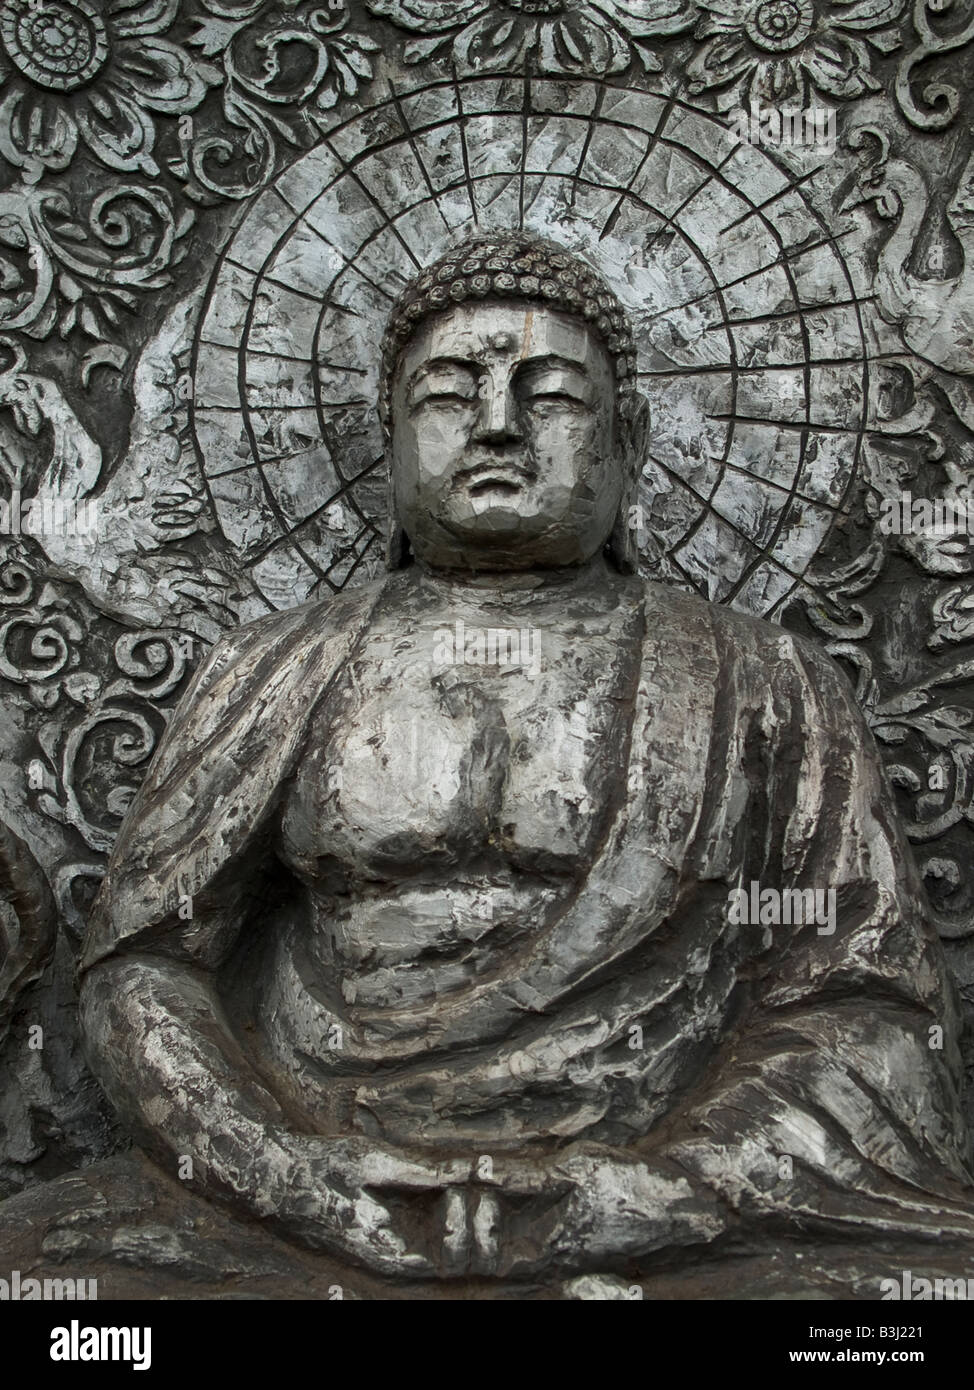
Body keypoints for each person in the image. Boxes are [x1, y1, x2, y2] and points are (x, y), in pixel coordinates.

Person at [38, 232, 974, 1296]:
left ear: (631, 440)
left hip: (670, 1207)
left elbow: (867, 1011)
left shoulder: (764, 684)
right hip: (307, 1191)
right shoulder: (275, 667)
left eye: (552, 395)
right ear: (384, 441)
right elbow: (146, 965)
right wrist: (290, 1174)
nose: (496, 423)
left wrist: (663, 1190)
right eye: (446, 393)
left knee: (896, 1311)